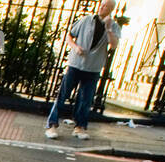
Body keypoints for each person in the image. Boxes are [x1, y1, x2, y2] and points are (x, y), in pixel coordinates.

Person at [45, 0, 121, 140]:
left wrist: (109, 29)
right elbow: (69, 35)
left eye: (106, 6)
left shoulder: (114, 26)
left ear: (111, 9)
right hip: (76, 63)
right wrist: (75, 47)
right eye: (101, 4)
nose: (102, 7)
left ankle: (80, 127)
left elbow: (114, 45)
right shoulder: (86, 20)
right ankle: (52, 125)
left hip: (93, 67)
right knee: (63, 94)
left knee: (85, 99)